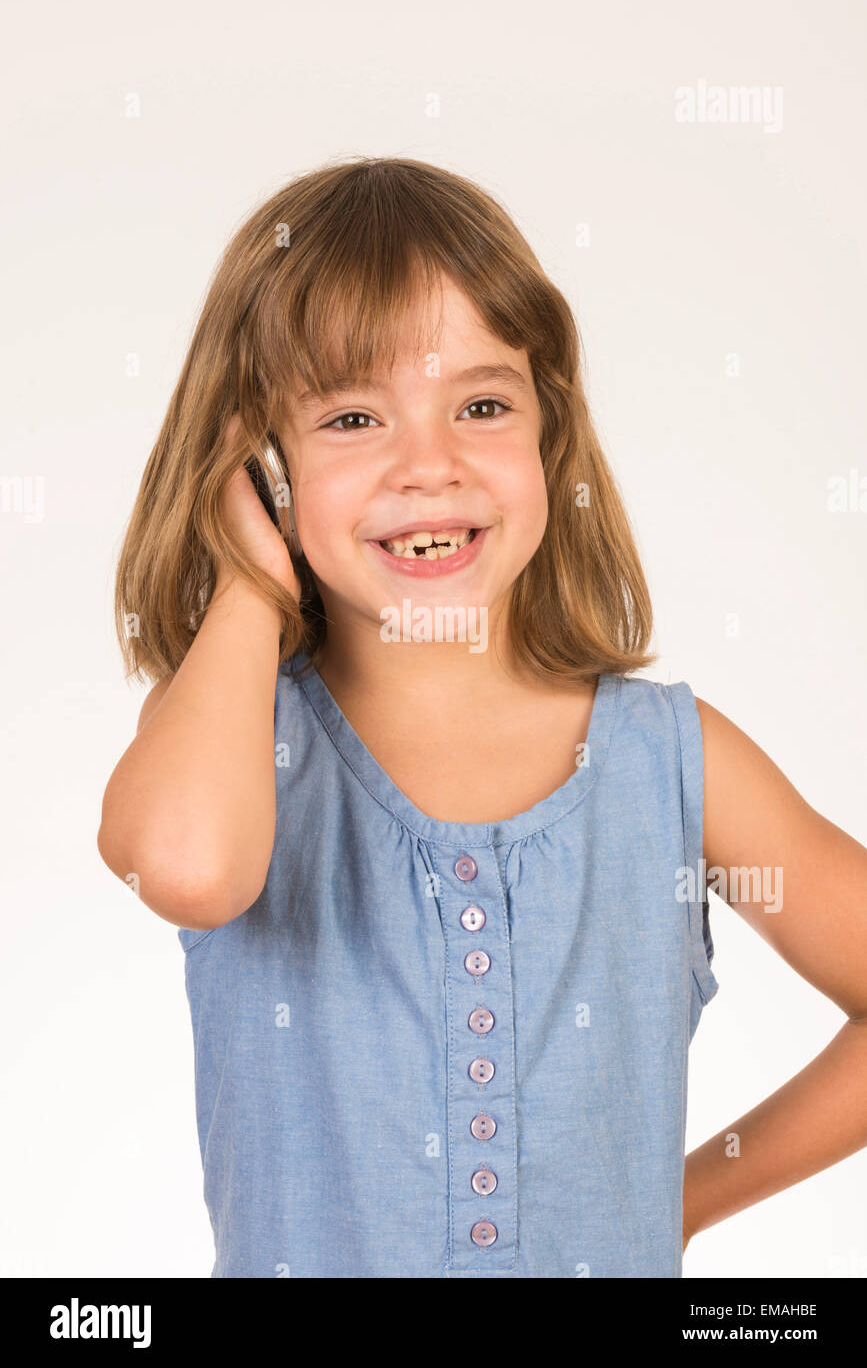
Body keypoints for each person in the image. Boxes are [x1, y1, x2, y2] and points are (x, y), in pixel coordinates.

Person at [97, 156, 867, 1278]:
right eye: (354, 416)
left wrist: (683, 1200)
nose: (431, 465)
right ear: (257, 466)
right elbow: (189, 868)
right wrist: (249, 585)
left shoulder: (669, 760)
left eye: (483, 404)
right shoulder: (236, 742)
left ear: (550, 432)